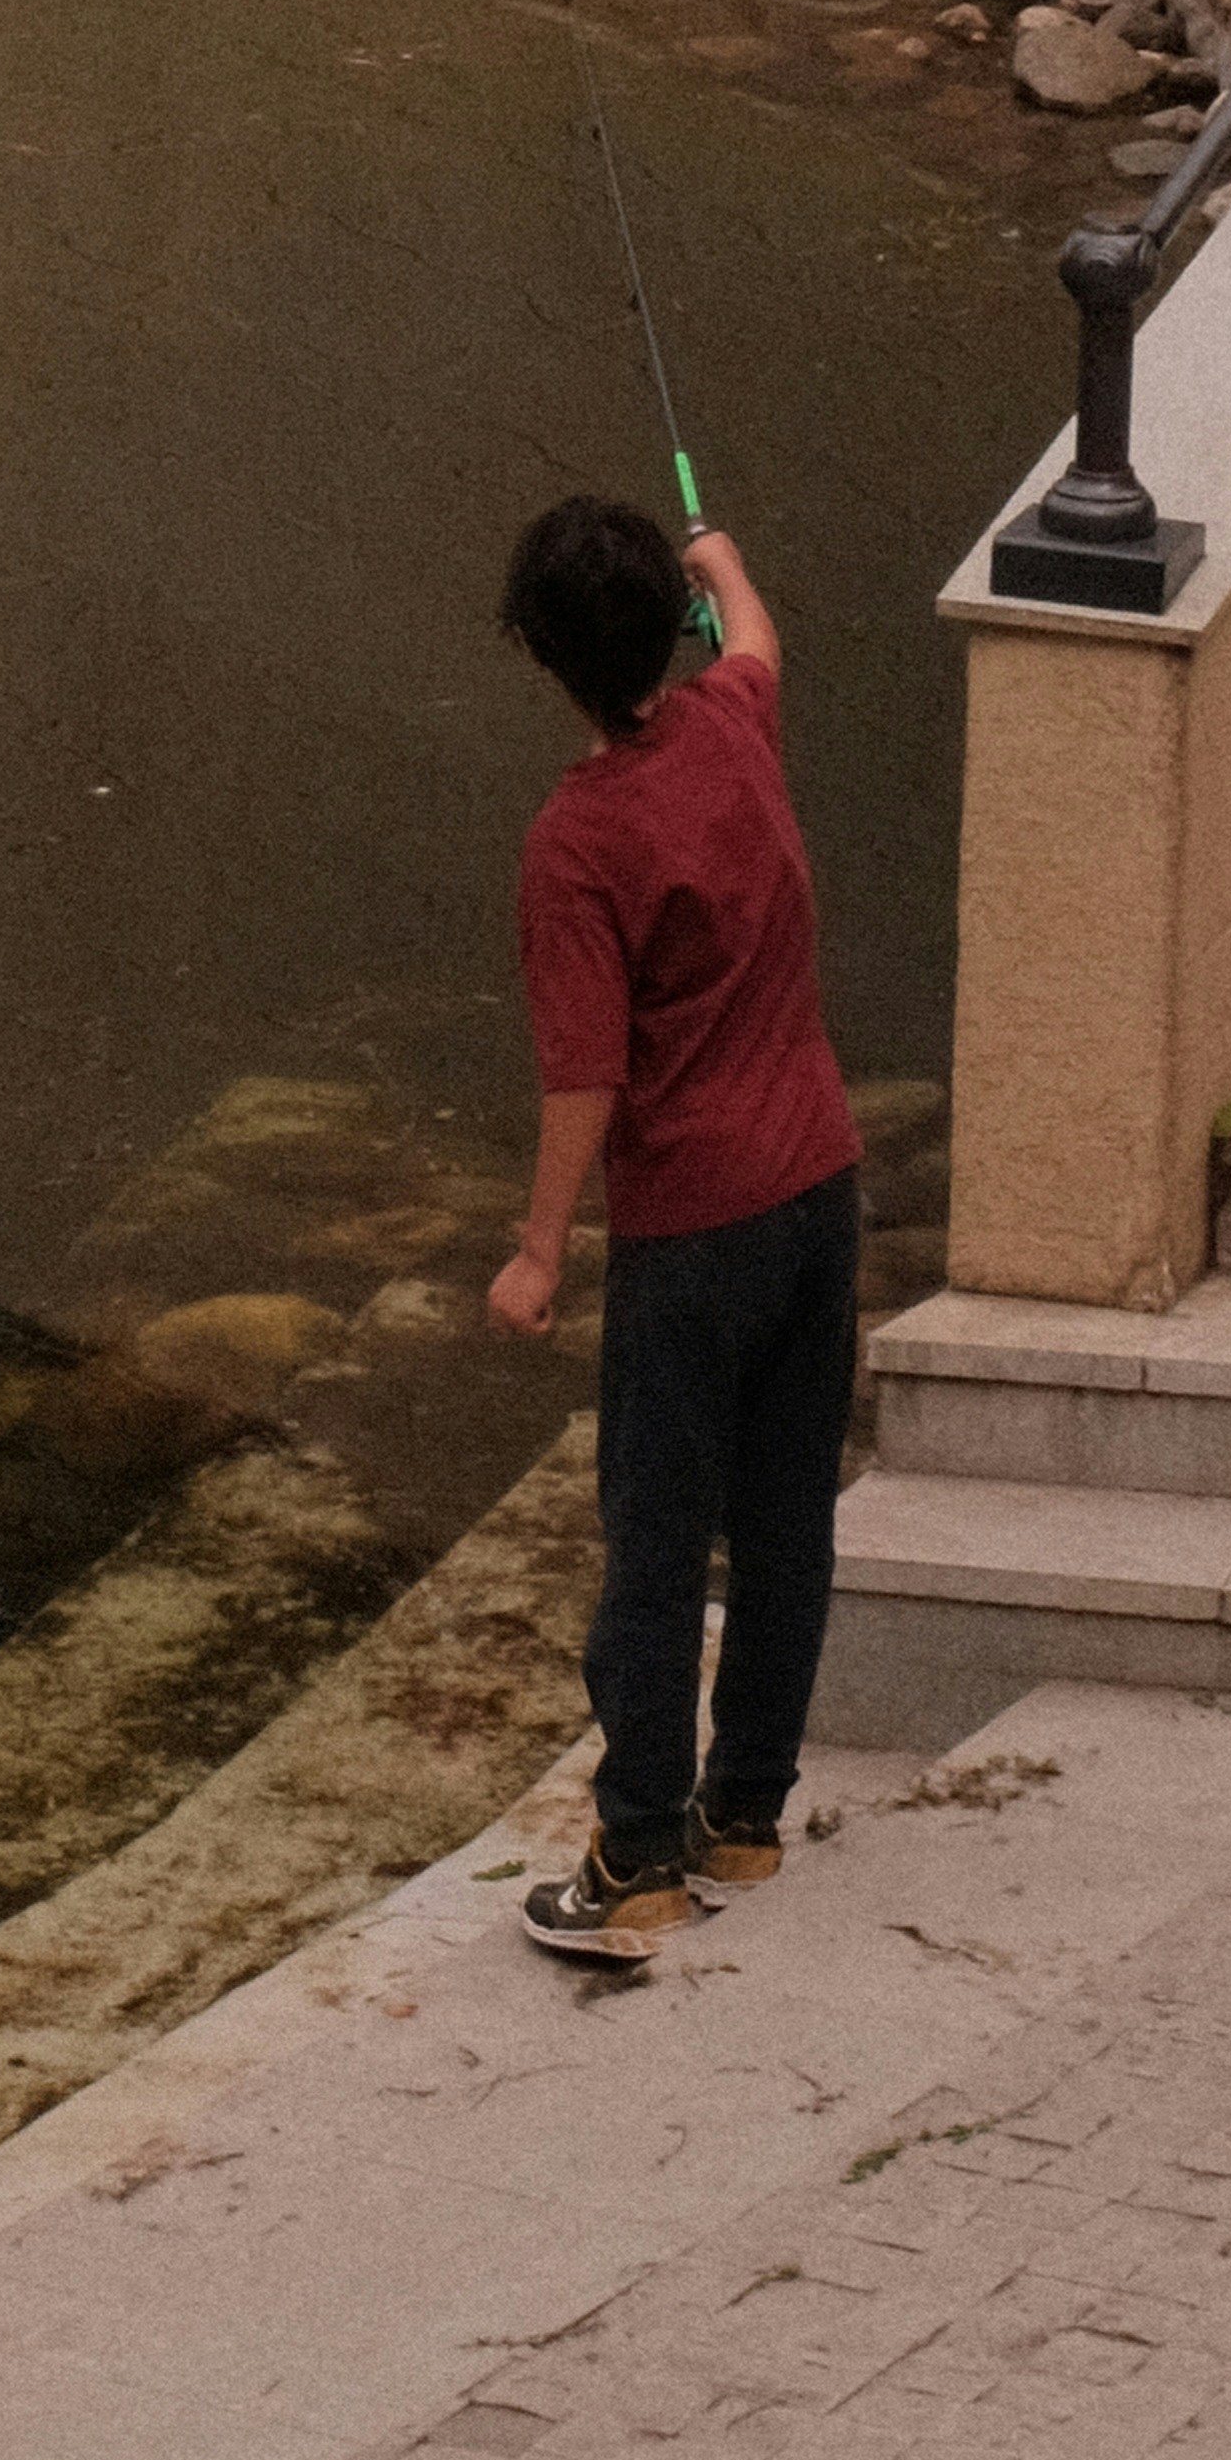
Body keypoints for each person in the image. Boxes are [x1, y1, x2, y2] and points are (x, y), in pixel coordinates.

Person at [486, 494, 860, 1970]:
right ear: (669, 627)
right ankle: (745, 1811)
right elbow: (758, 639)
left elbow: (585, 1072)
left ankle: (635, 1854)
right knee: (782, 1520)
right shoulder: (729, 719)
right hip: (818, 1191)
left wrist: (537, 1247)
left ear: (539, 655)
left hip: (691, 1233)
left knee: (651, 1542)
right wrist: (724, 559)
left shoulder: (572, 842)